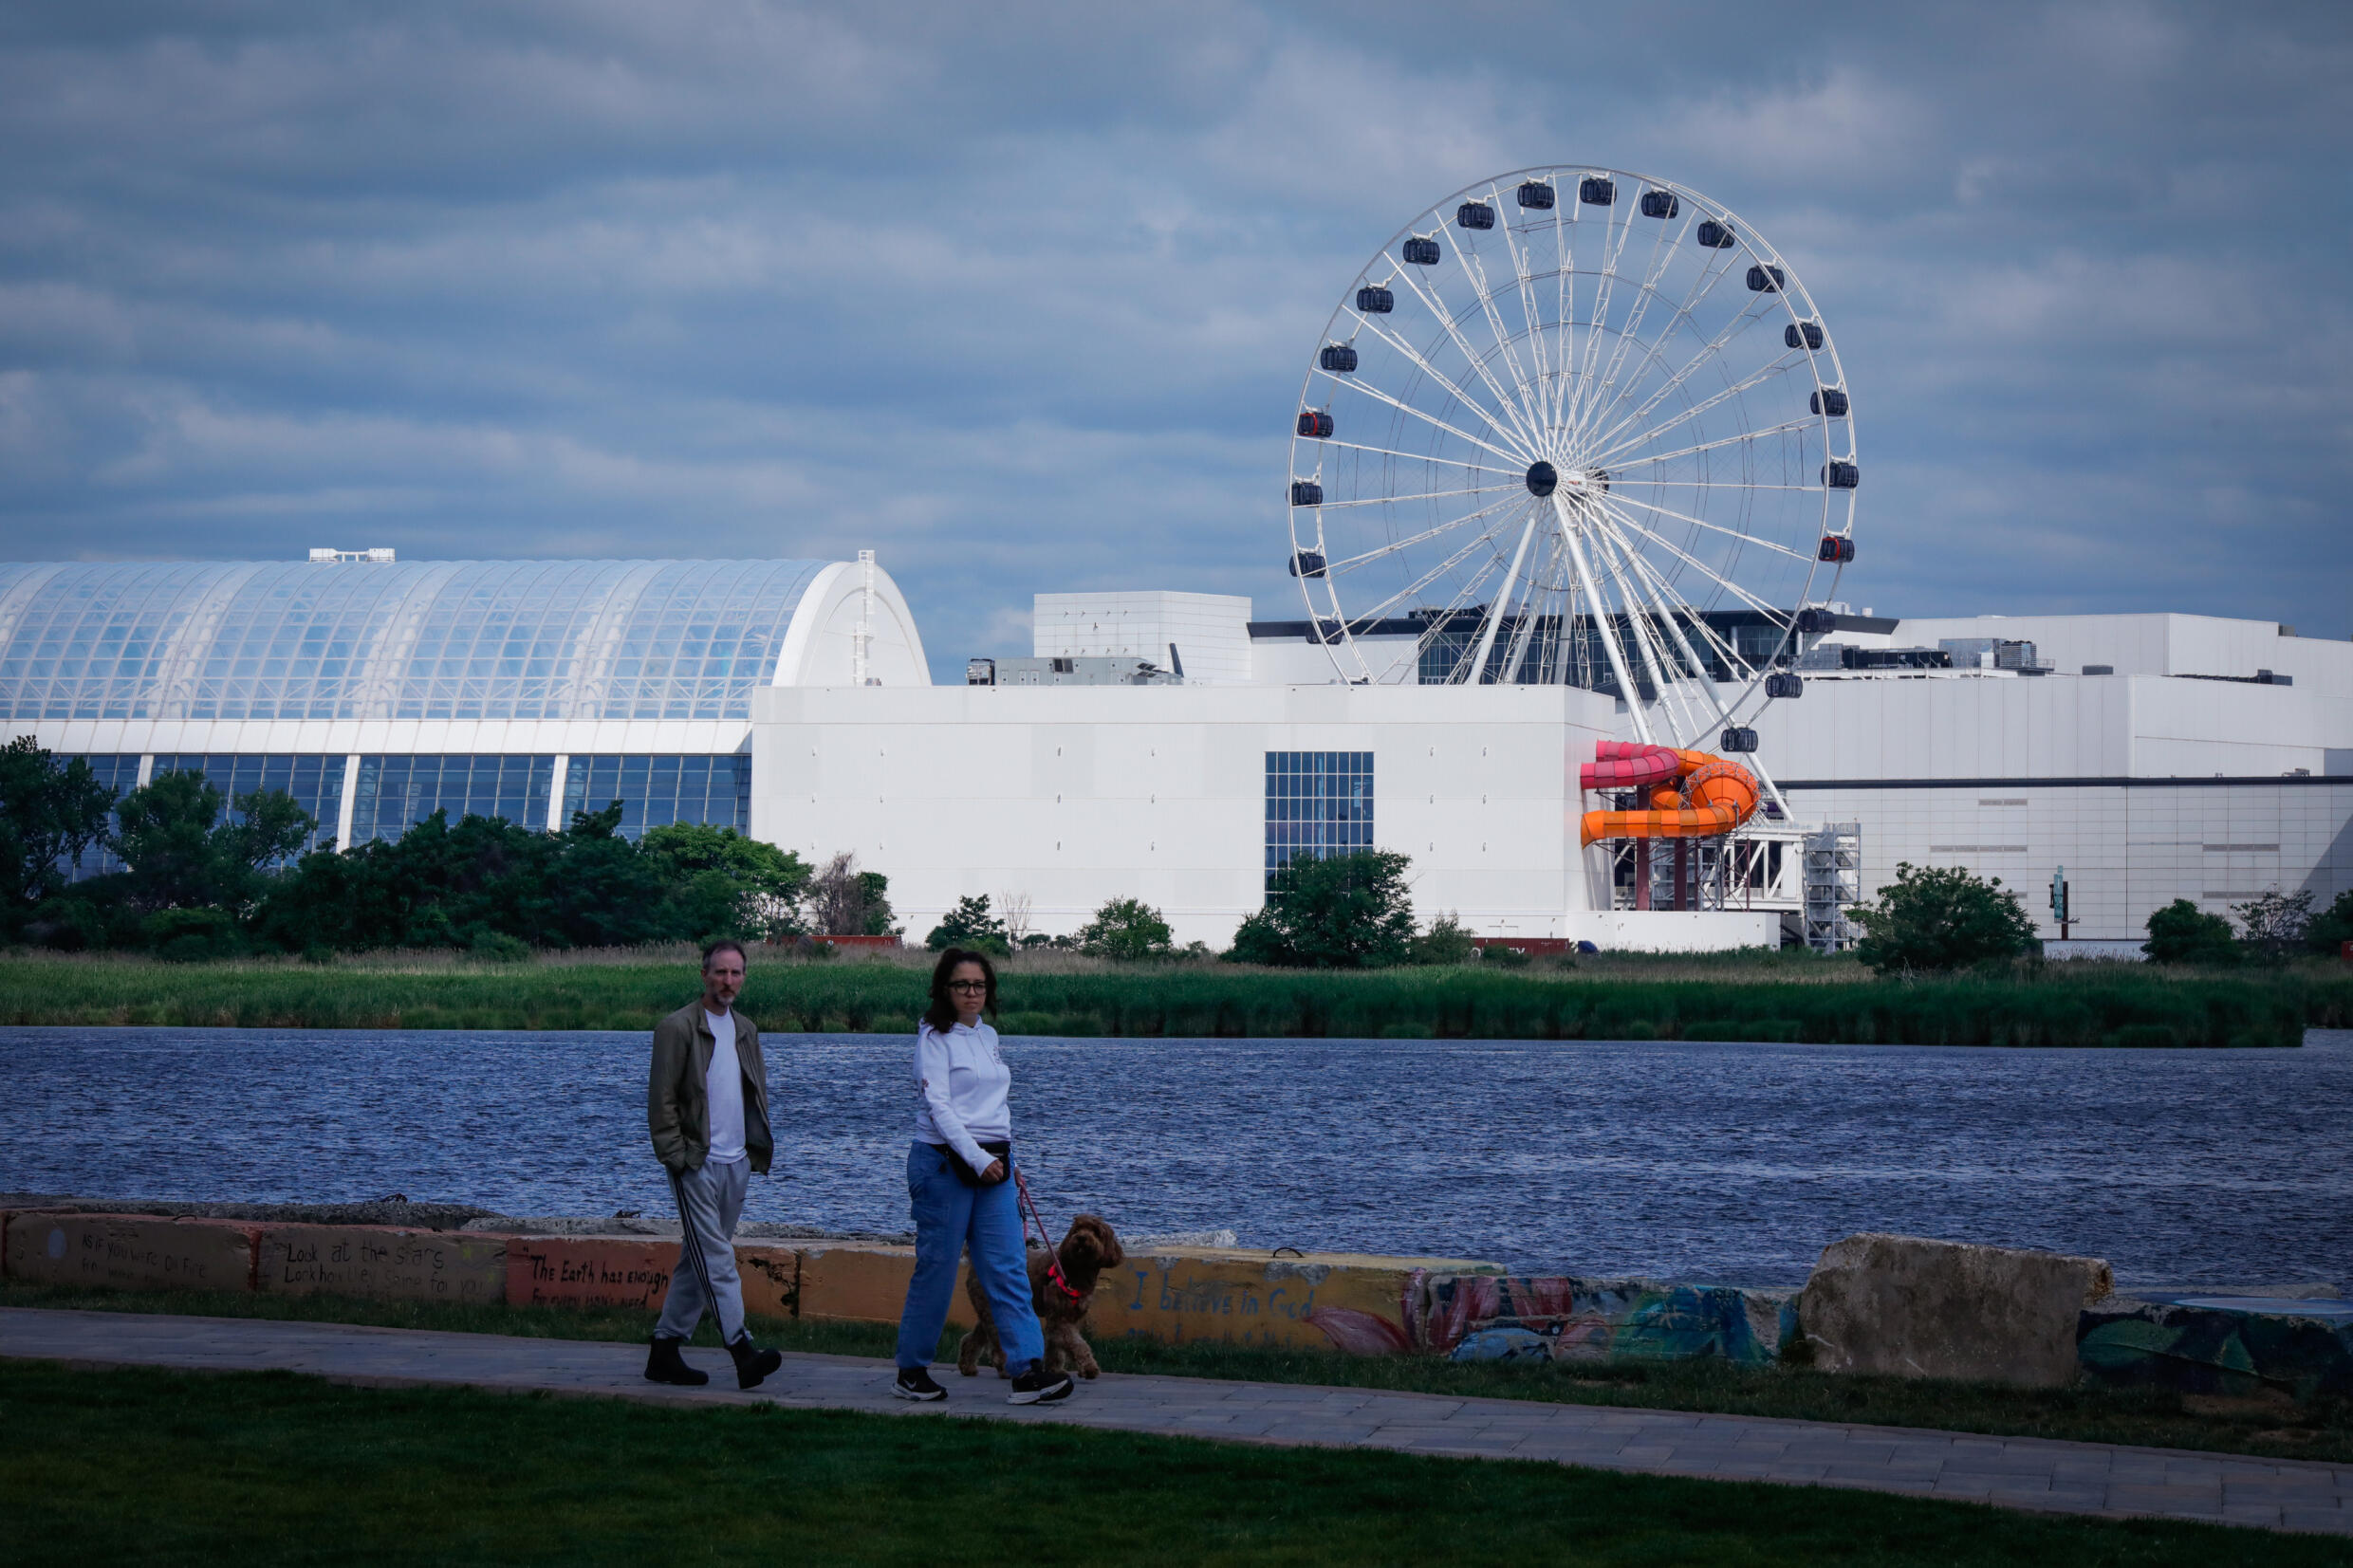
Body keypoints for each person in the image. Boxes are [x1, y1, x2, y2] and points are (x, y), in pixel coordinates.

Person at [892, 948, 1074, 1405]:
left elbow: (994, 1107)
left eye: (979, 985)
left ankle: (1027, 1371)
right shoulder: (934, 1037)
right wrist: (976, 1159)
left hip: (996, 1166)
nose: (971, 993)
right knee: (937, 1268)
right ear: (945, 989)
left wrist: (1010, 1161)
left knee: (1008, 1266)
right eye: (961, 985)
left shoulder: (988, 1035)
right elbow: (939, 1107)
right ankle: (911, 1371)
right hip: (943, 1164)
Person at [643, 938, 785, 1391]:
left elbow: (753, 1093)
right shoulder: (677, 1028)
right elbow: (662, 1100)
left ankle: (664, 1351)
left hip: (736, 1162)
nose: (728, 981)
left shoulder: (745, 1029)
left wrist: (754, 1149)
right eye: (720, 972)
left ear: (744, 978)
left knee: (699, 1256)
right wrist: (677, 1158)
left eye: (736, 973)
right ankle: (743, 1351)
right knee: (718, 1257)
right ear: (704, 974)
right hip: (696, 1162)